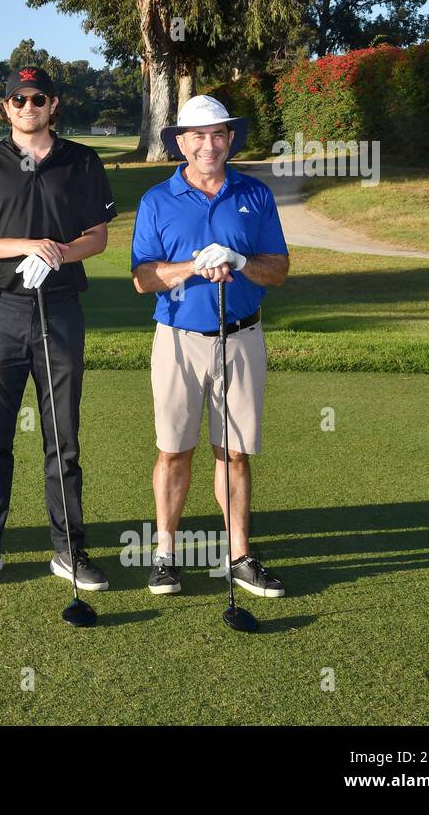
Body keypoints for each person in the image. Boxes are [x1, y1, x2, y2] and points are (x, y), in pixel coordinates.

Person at [0, 66, 117, 589]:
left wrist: (60, 252)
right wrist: (27, 245)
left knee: (62, 437)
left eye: (37, 98)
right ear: (5, 108)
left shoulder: (81, 160)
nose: (28, 106)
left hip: (61, 308)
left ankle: (68, 549)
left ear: (53, 104)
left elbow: (99, 237)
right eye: (17, 99)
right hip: (0, 309)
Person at [130, 94, 290, 597]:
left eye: (218, 134)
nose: (209, 145)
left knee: (234, 453)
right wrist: (193, 266)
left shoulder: (255, 194)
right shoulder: (158, 199)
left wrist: (240, 261)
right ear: (180, 142)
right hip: (177, 340)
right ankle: (165, 555)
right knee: (174, 451)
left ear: (229, 139)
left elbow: (279, 269)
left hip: (240, 335)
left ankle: (239, 555)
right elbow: (141, 277)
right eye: (197, 136)